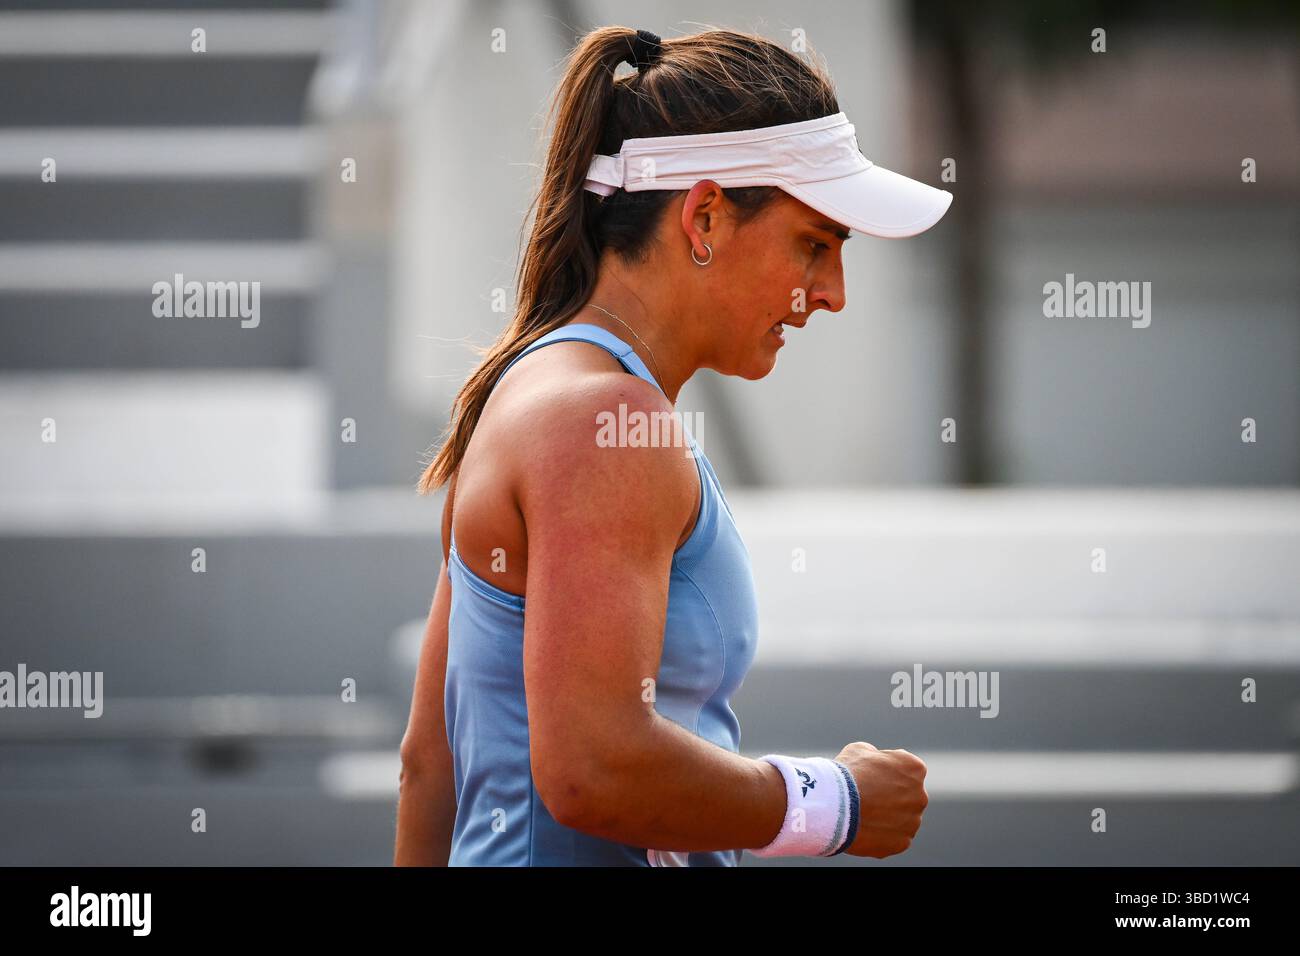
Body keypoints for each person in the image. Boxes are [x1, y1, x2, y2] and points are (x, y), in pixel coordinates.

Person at [394, 25, 950, 866]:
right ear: (704, 215)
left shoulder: (543, 393)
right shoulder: (603, 423)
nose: (832, 294)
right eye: (815, 245)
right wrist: (834, 803)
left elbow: (426, 766)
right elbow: (591, 769)